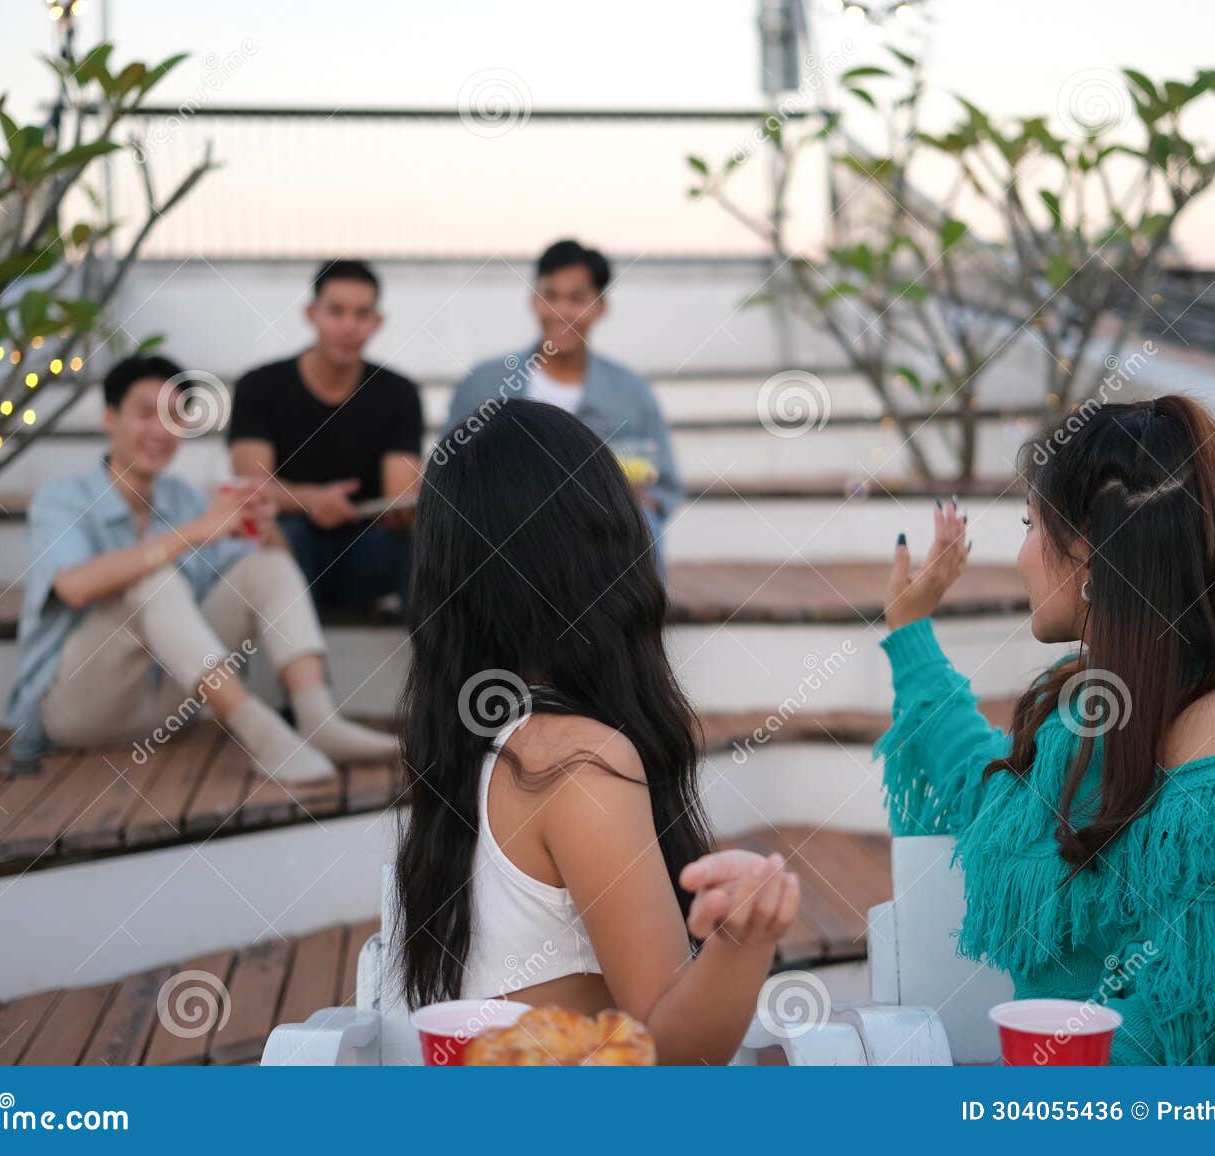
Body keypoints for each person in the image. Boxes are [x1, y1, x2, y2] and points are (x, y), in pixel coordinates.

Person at [876, 395, 1215, 1065]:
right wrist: (910, 632)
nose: (1021, 557)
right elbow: (986, 793)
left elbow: (1186, 1024)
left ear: (1092, 553)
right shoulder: (1090, 709)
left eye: (1031, 525)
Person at [394, 400, 798, 1065]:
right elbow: (669, 1056)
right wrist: (746, 939)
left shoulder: (473, 742)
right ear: (600, 552)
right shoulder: (573, 761)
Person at [5, 355, 397, 783]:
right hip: (81, 710)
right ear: (109, 418)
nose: (160, 430)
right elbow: (74, 587)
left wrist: (264, 529)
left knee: (265, 567)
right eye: (144, 413)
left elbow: (260, 574)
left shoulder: (184, 500)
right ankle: (262, 734)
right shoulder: (62, 498)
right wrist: (195, 531)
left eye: (174, 417)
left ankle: (318, 719)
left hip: (169, 706)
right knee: (153, 578)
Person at [446, 239, 681, 560]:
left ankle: (634, 611)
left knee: (645, 527)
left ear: (601, 307)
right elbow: (449, 472)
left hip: (599, 534)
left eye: (577, 298)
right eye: (550, 296)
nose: (562, 312)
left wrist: (631, 498)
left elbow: (660, 487)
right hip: (502, 531)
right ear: (533, 301)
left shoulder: (632, 393)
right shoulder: (484, 383)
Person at [228, 259, 423, 612]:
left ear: (377, 322)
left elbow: (400, 494)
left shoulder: (399, 393)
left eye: (362, 314)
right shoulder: (259, 386)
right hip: (290, 536)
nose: (349, 326)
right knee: (269, 537)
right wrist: (311, 500)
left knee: (422, 549)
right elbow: (251, 487)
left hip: (368, 541)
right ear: (311, 313)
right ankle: (296, 662)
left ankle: (439, 663)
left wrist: (404, 508)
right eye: (336, 311)